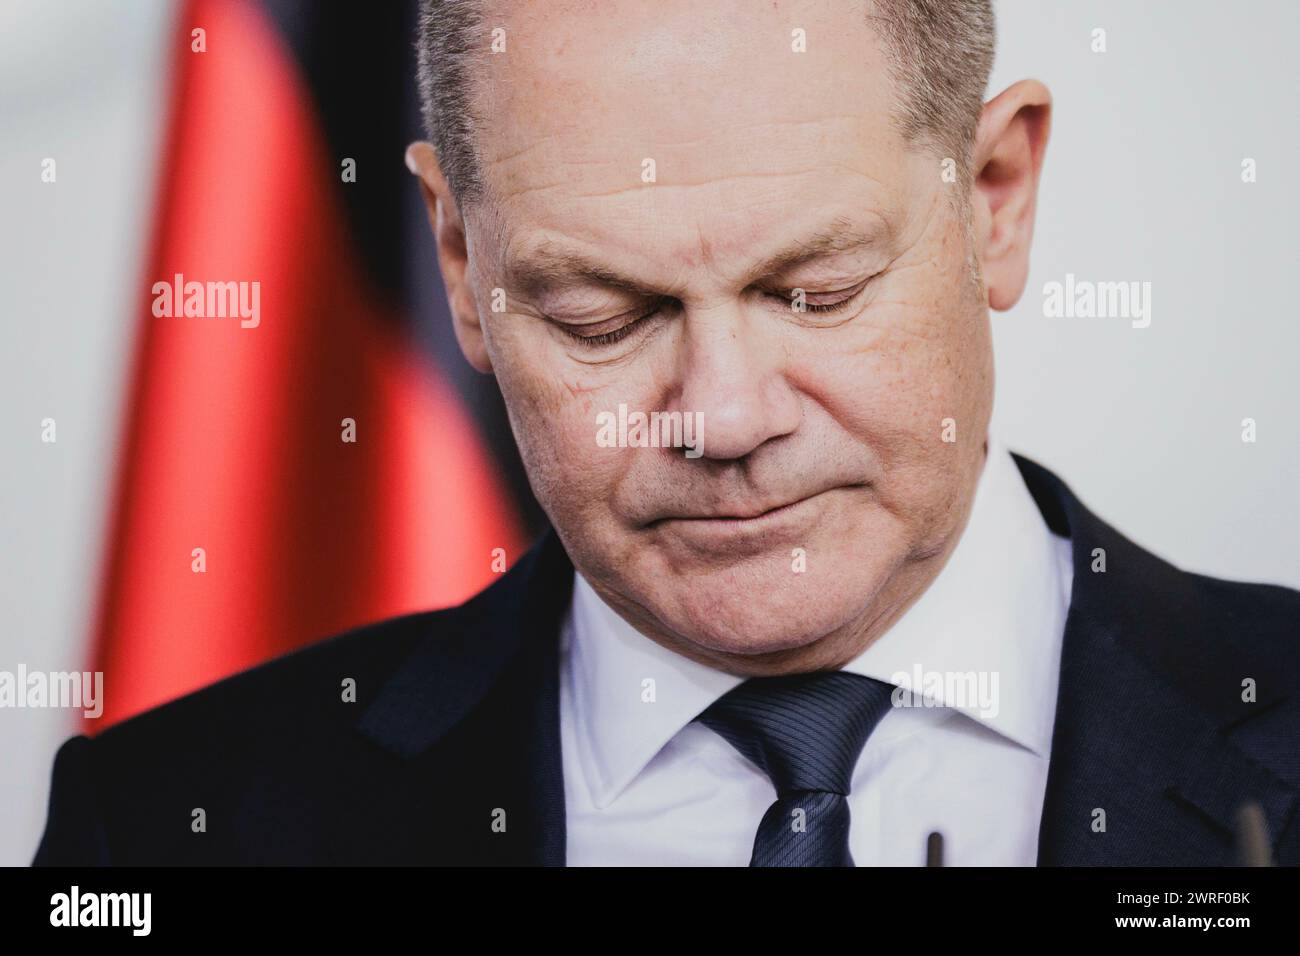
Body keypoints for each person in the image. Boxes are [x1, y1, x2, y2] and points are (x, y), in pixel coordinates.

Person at [34, 0, 1300, 866]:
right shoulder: (161, 827)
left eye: (813, 291)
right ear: (462, 263)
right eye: (602, 313)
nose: (727, 416)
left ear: (996, 198)